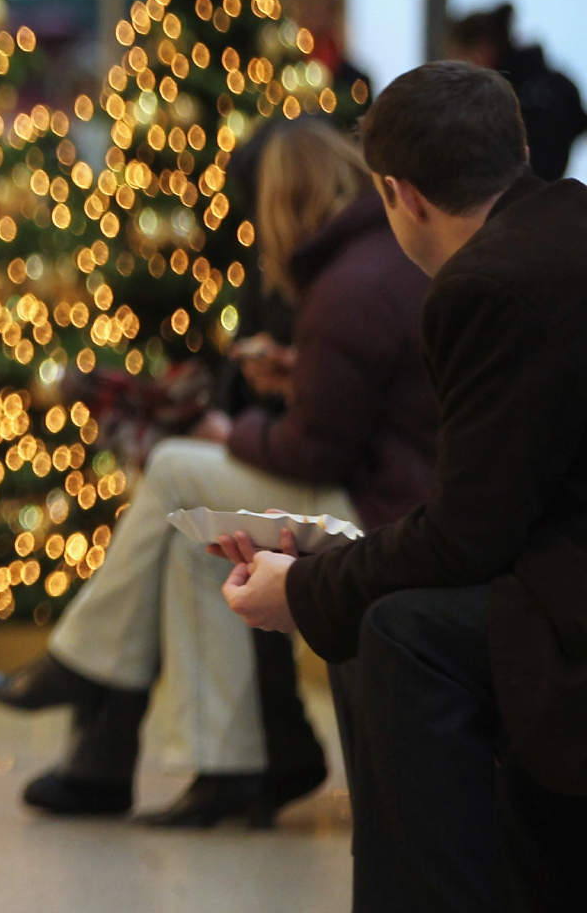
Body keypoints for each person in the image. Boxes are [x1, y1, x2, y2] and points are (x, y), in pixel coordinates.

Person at [0, 121, 437, 827]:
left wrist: (230, 430)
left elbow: (315, 452)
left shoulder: (347, 284)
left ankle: (86, 667)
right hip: (392, 490)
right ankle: (225, 768)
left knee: (173, 468)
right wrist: (297, 376)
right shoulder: (376, 259)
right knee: (198, 533)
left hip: (377, 507)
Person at [215, 62, 587, 912]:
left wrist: (301, 591)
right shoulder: (565, 224)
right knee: (382, 611)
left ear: (401, 195)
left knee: (394, 631)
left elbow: (467, 537)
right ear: (517, 150)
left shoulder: (485, 282)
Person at [447, 4, 587, 182]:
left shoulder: (491, 97)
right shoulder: (558, 84)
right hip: (547, 190)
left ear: (482, 50)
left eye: (461, 61)